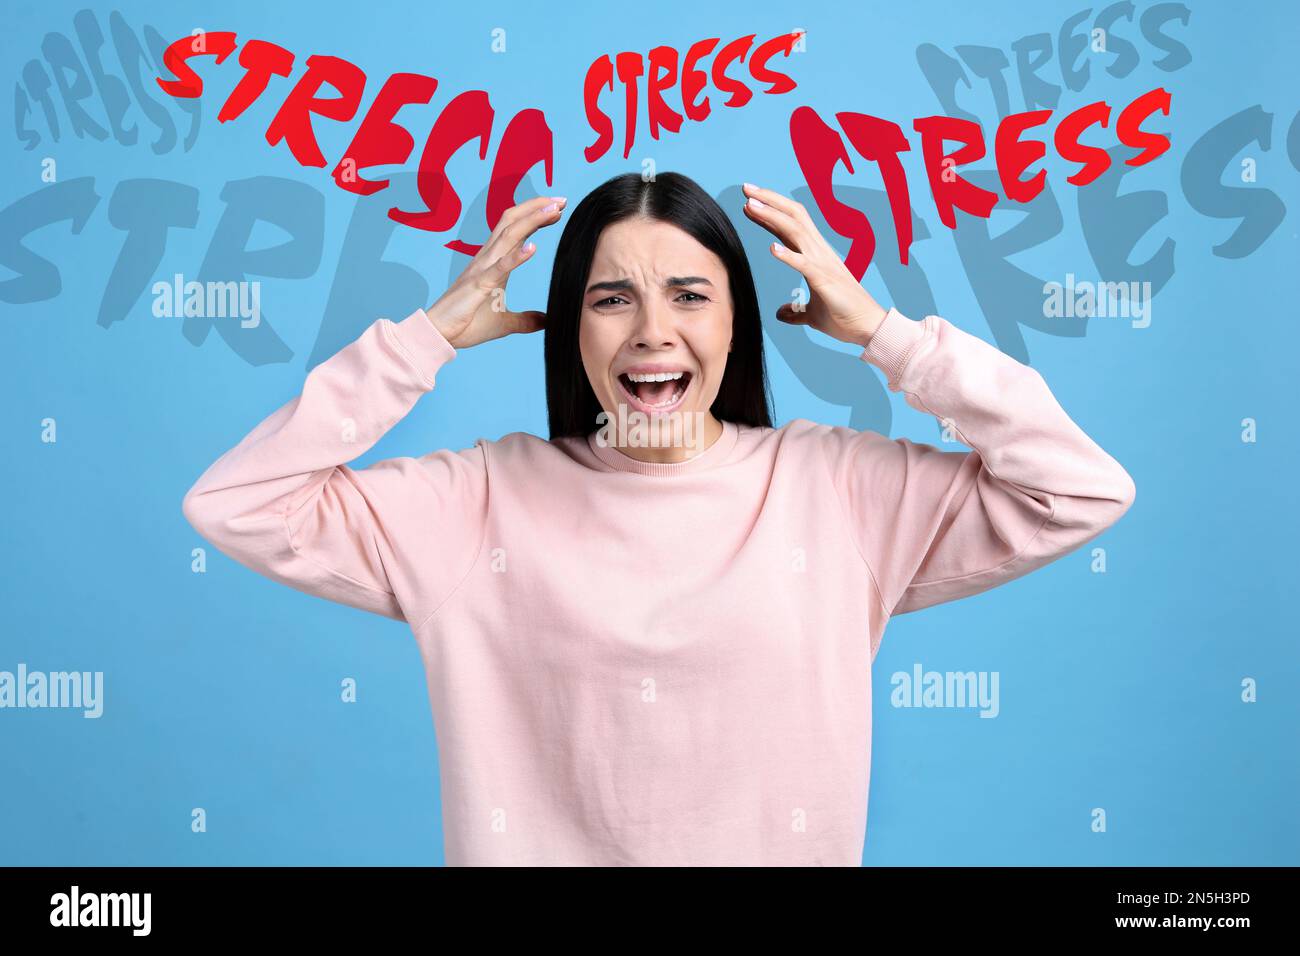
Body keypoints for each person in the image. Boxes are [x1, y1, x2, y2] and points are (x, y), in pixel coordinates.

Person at [182, 172, 1135, 866]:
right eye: (611, 299)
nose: (651, 331)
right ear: (569, 327)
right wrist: (423, 340)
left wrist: (889, 339)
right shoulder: (478, 501)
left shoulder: (832, 488)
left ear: (733, 325)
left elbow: (1080, 489)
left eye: (689, 295)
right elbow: (237, 502)